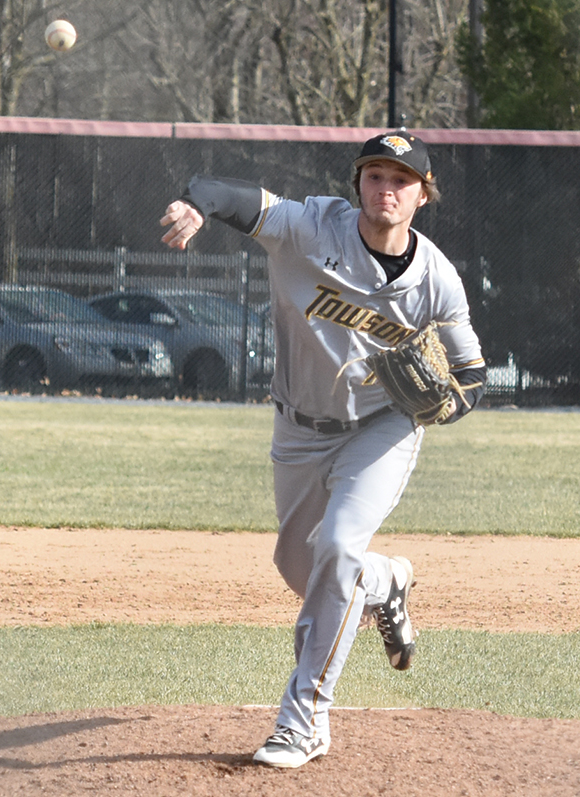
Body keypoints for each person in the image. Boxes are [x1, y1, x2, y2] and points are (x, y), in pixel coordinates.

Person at [159, 130, 486, 769]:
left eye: (401, 180)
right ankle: (383, 581)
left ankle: (304, 717)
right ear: (358, 183)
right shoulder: (309, 227)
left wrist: (442, 405)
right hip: (298, 428)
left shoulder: (438, 281)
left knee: (336, 548)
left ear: (422, 195)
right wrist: (196, 205)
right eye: (374, 176)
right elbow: (228, 194)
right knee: (299, 570)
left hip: (380, 428)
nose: (385, 190)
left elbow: (471, 376)